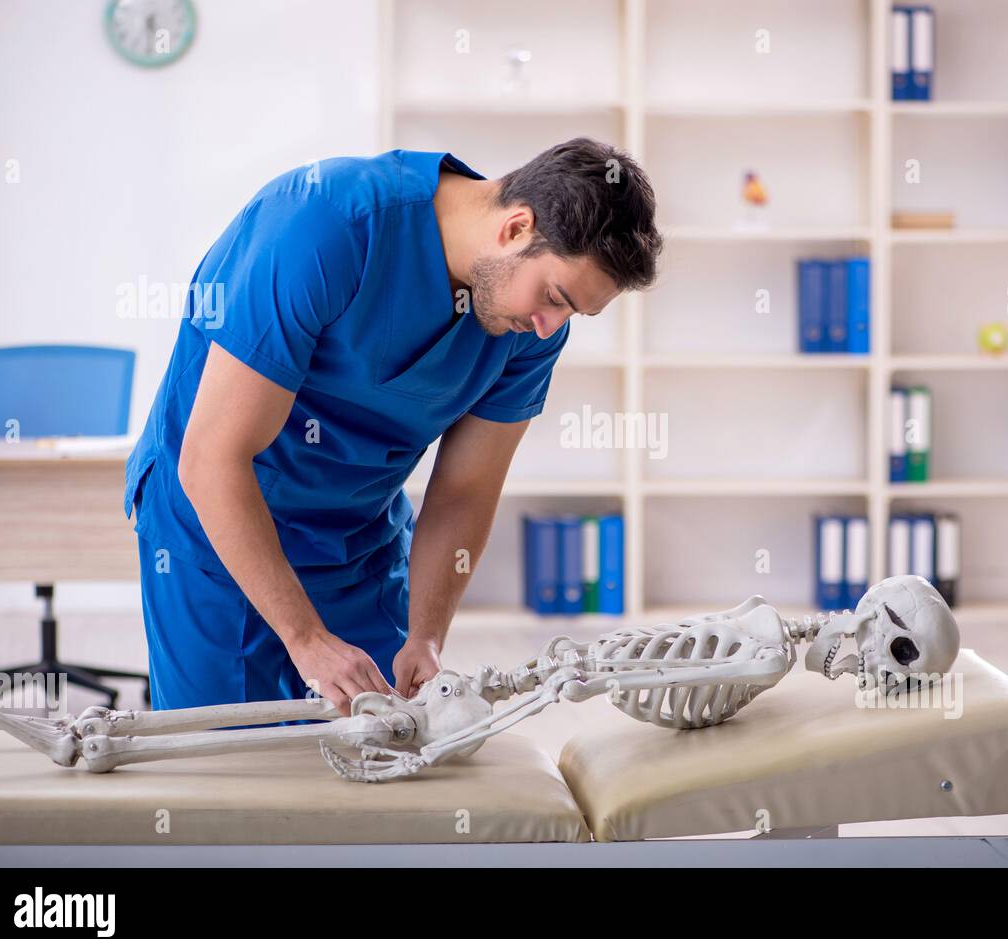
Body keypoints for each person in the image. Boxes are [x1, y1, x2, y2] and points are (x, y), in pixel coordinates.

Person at [124, 138, 662, 717]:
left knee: (390, 745)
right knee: (222, 772)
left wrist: (426, 636)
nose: (548, 325)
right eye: (554, 297)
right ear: (516, 228)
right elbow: (213, 459)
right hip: (216, 532)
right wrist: (305, 640)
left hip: (355, 542)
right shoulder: (324, 226)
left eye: (571, 313)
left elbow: (465, 490)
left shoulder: (529, 330)